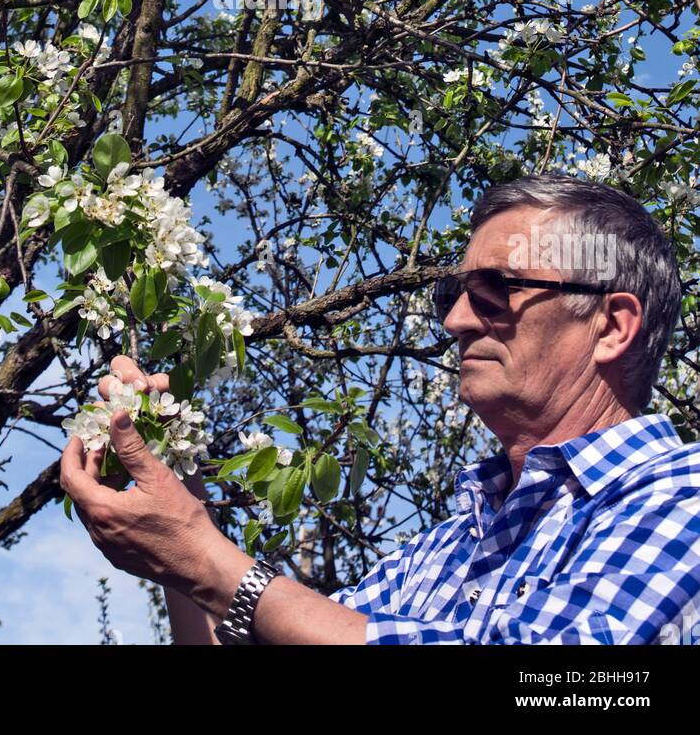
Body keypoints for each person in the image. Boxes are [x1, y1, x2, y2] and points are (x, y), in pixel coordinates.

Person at [60, 174, 700, 644]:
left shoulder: (681, 500)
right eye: (453, 292)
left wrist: (207, 558)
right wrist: (174, 506)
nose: (453, 321)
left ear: (612, 326)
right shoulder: (439, 552)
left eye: (497, 290)